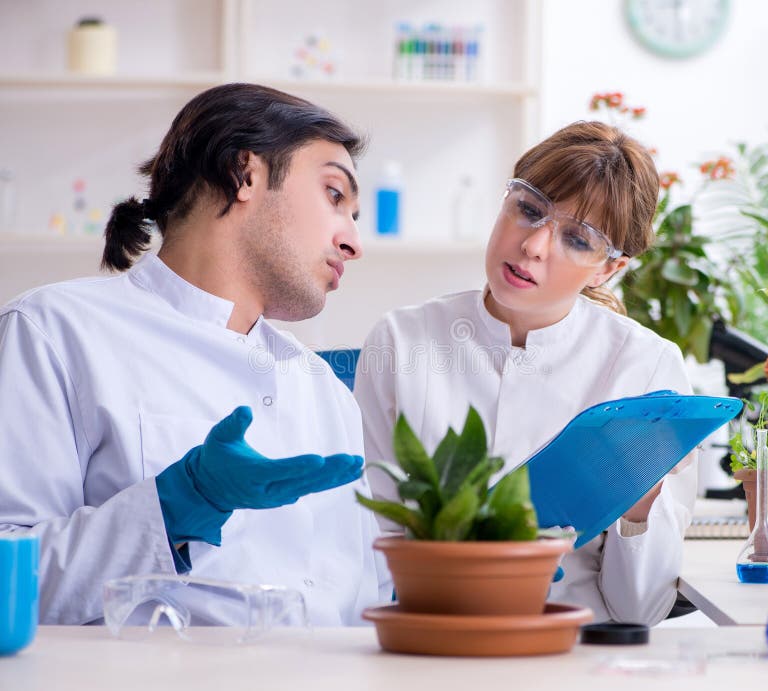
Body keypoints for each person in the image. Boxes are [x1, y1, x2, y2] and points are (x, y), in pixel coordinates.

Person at [0, 83, 391, 626]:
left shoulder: (323, 388)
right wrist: (177, 505)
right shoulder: (55, 332)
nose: (353, 242)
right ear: (244, 174)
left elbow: (370, 598)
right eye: (334, 196)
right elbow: (8, 578)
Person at [354, 121, 697, 627]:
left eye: (577, 239)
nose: (535, 246)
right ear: (505, 201)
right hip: (431, 638)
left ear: (608, 269)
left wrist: (639, 500)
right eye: (529, 210)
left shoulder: (646, 367)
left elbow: (641, 610)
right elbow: (370, 548)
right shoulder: (403, 341)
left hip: (575, 649)